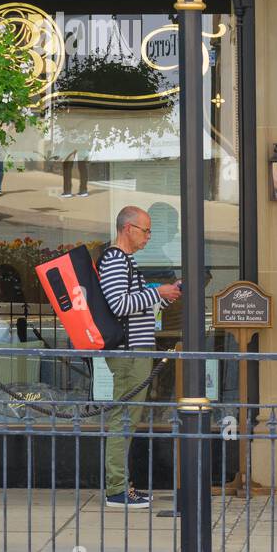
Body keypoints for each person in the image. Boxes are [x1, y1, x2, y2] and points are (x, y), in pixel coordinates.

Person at [99, 205, 181, 509]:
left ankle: (122, 485)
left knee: (128, 420)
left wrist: (160, 295)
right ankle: (116, 489)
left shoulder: (125, 261)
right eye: (145, 230)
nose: (148, 236)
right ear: (127, 228)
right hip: (129, 353)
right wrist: (157, 292)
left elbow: (131, 303)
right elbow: (119, 304)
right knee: (124, 420)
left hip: (136, 350)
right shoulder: (116, 260)